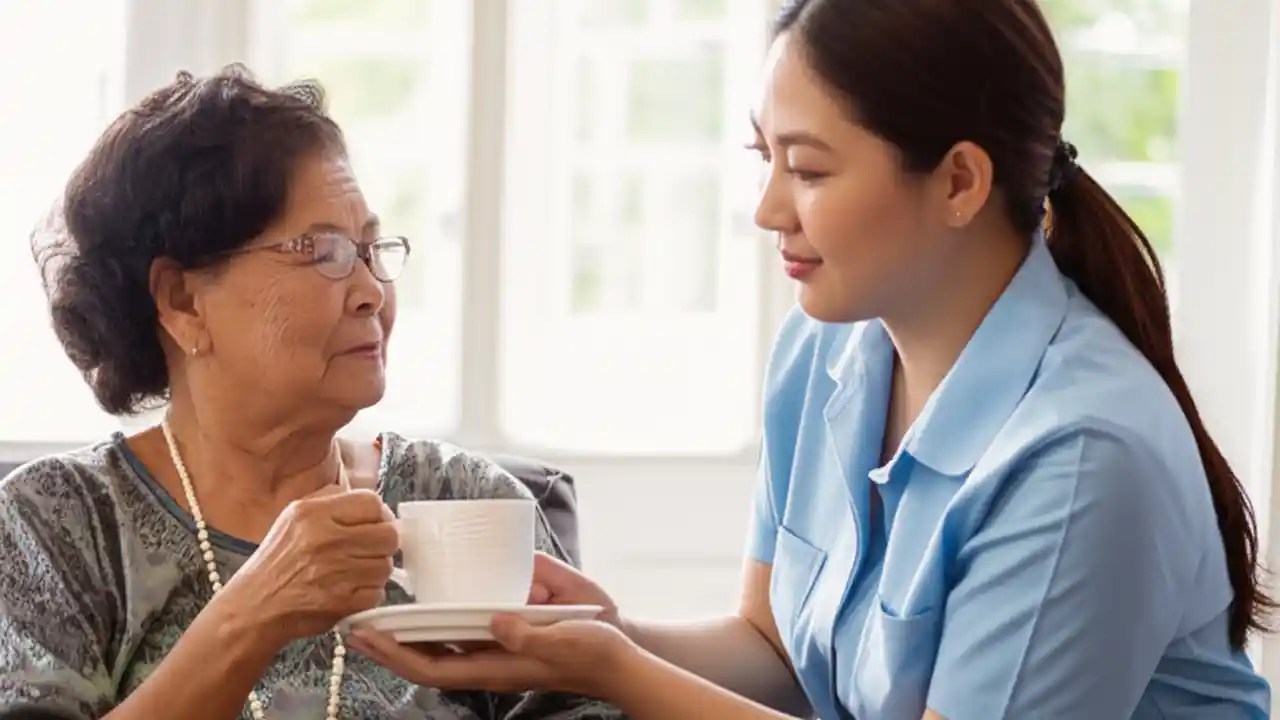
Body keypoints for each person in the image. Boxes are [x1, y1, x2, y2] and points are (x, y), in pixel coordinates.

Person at [345, 1, 1274, 718]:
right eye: (765, 159)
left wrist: (613, 668)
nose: (768, 208)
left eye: (811, 169)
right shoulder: (825, 348)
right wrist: (601, 632)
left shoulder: (1081, 457)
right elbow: (779, 652)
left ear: (959, 180)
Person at [0, 67, 620, 720]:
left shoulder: (461, 503)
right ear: (183, 302)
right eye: (325, 252)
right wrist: (250, 617)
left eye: (371, 249)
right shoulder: (55, 523)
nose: (373, 291)